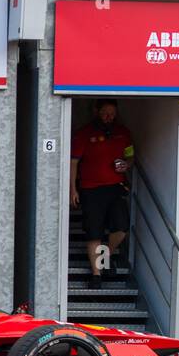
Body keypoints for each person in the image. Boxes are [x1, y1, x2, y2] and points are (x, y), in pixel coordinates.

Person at [69, 99, 133, 289]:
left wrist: (126, 164)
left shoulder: (123, 133)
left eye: (112, 114)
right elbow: (73, 162)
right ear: (96, 111)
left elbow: (130, 156)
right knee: (94, 233)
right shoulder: (84, 134)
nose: (109, 117)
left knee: (121, 229)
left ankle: (106, 256)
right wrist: (73, 189)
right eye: (105, 113)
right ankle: (96, 275)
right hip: (90, 189)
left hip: (116, 187)